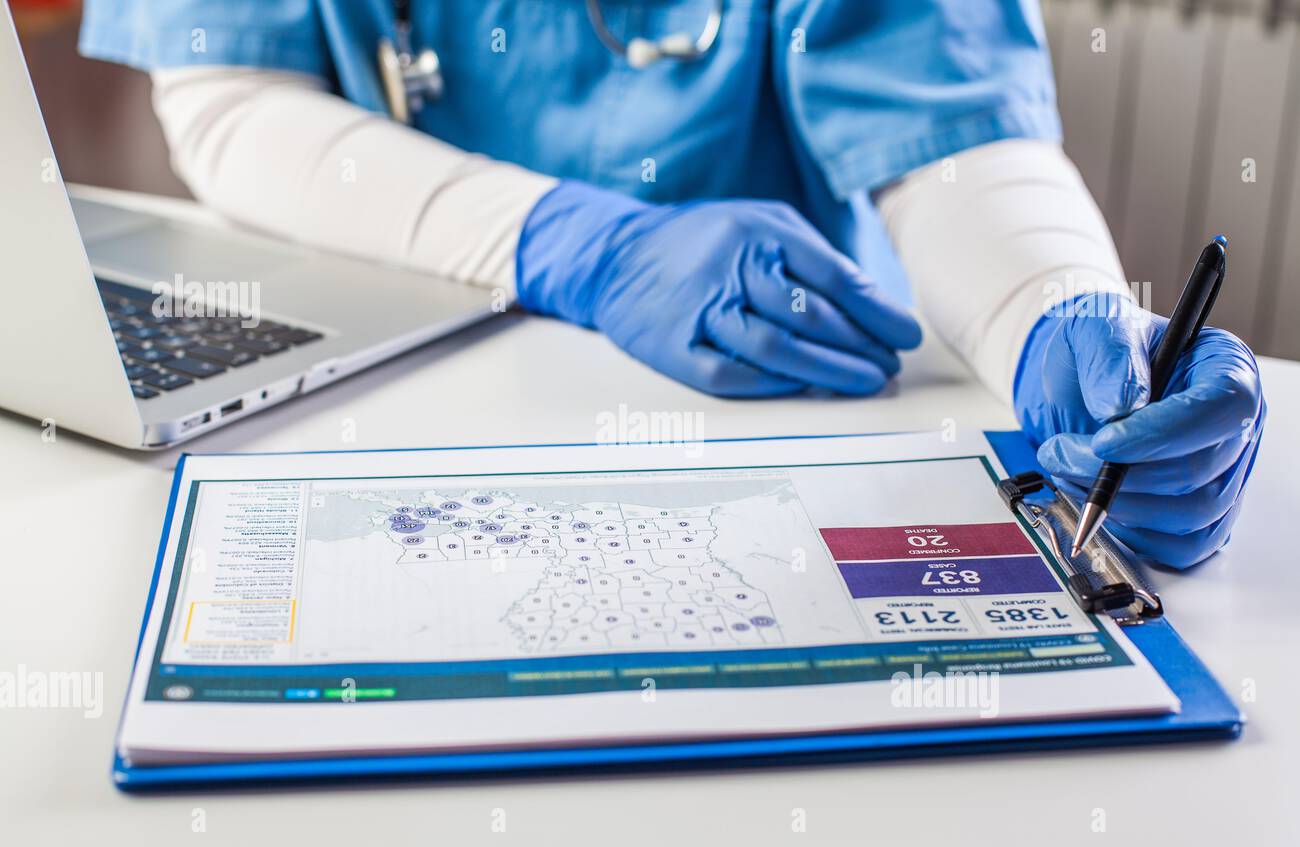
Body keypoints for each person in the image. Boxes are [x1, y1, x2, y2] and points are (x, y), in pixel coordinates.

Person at [80, 0, 1264, 569]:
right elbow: (224, 94)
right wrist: (569, 238)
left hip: (766, 413)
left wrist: (1055, 309)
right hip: (388, 378)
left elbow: (944, 120)